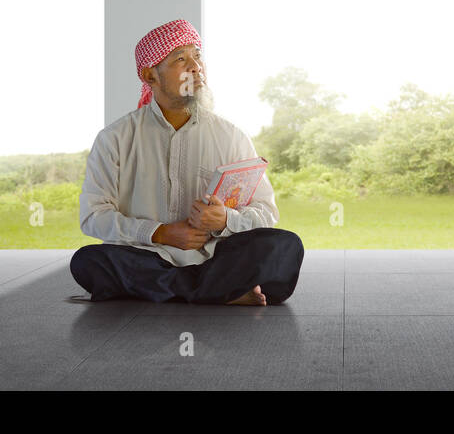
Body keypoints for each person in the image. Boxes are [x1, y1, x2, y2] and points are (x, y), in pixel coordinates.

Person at [69, 18, 304, 306]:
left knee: (284, 245)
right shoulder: (115, 139)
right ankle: (222, 293)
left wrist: (225, 220)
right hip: (148, 256)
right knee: (88, 261)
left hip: (216, 258)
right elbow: (93, 216)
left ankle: (175, 290)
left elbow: (266, 212)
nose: (196, 67)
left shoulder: (231, 136)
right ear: (150, 76)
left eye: (198, 56)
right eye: (181, 58)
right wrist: (161, 233)